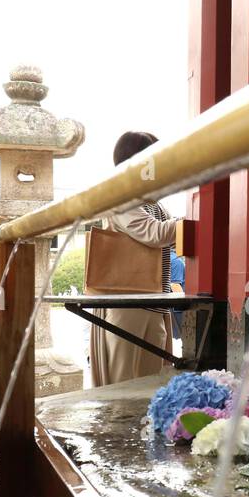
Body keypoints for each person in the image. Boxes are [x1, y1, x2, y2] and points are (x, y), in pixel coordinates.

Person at [89, 131, 181, 386]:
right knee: (124, 381)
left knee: (150, 383)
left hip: (152, 299)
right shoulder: (121, 197)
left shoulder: (151, 202)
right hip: (127, 302)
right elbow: (154, 233)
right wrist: (194, 222)